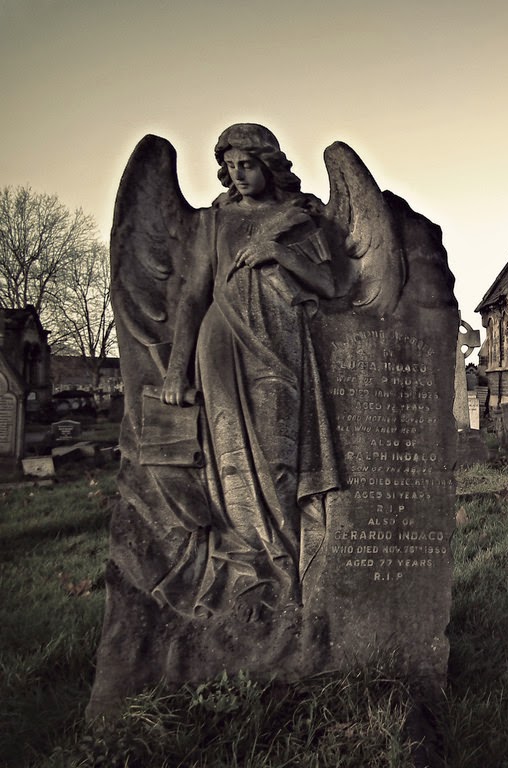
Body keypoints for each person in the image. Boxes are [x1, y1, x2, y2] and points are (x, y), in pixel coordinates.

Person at [162, 124, 338, 619]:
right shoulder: (215, 221)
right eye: (231, 166)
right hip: (221, 342)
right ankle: (245, 579)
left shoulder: (298, 217)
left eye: (247, 164)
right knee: (230, 460)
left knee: (280, 459)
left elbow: (329, 283)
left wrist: (278, 252)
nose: (238, 174)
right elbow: (194, 295)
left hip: (280, 343)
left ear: (268, 165)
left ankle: (287, 578)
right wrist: (177, 369)